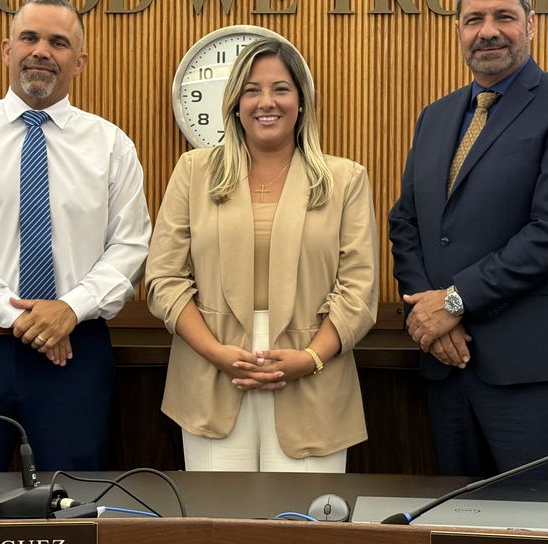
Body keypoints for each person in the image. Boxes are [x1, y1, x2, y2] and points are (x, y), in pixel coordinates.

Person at [0, 0, 151, 472]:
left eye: (58, 42)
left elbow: (130, 246)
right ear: (7, 50)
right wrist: (17, 316)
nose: (42, 50)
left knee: (72, 502)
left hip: (74, 355)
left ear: (78, 62)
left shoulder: (110, 145)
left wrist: (69, 308)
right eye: (30, 37)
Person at [388, 0, 548, 480]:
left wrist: (454, 301)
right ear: (459, 30)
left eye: (504, 16)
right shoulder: (436, 116)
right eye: (474, 19)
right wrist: (430, 322)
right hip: (449, 366)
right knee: (459, 528)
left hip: (536, 374)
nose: (487, 30)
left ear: (531, 24)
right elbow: (407, 223)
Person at [146, 37, 379, 472]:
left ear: (302, 102)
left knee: (305, 533)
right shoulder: (194, 172)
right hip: (211, 374)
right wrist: (217, 353)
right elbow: (164, 281)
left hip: (313, 375)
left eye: (281, 89)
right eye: (251, 89)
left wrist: (309, 359)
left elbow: (359, 291)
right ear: (235, 103)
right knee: (221, 526)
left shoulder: (345, 180)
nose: (265, 102)